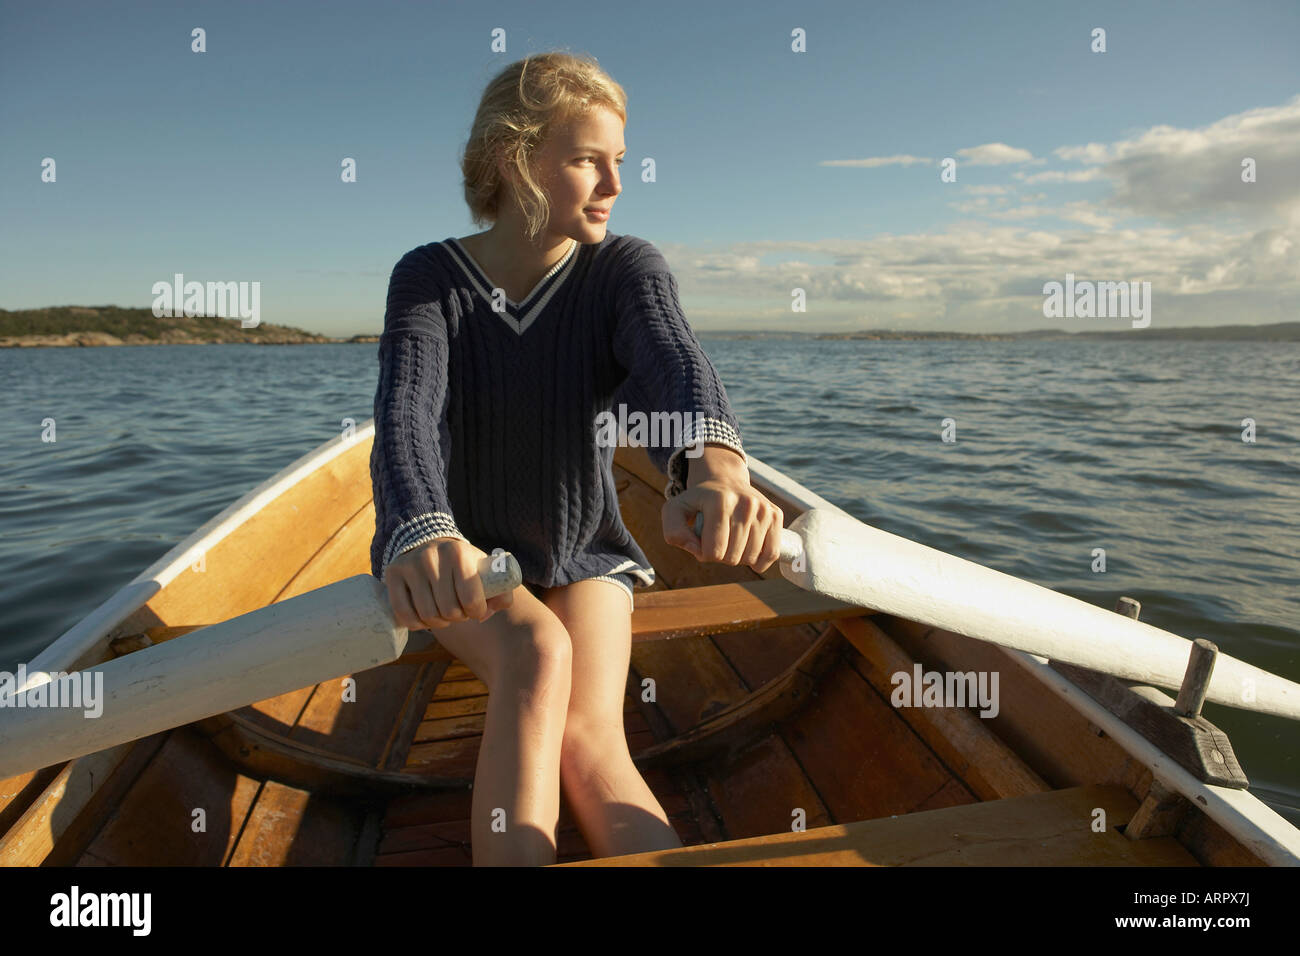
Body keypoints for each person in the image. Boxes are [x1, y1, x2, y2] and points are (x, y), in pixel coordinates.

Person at [369, 51, 784, 866]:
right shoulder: (428, 278)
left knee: (592, 738)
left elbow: (670, 362)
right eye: (587, 159)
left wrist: (715, 465)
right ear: (513, 159)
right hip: (463, 561)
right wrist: (418, 529)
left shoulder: (624, 267)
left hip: (585, 546)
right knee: (535, 652)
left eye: (618, 161)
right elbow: (404, 416)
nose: (615, 183)